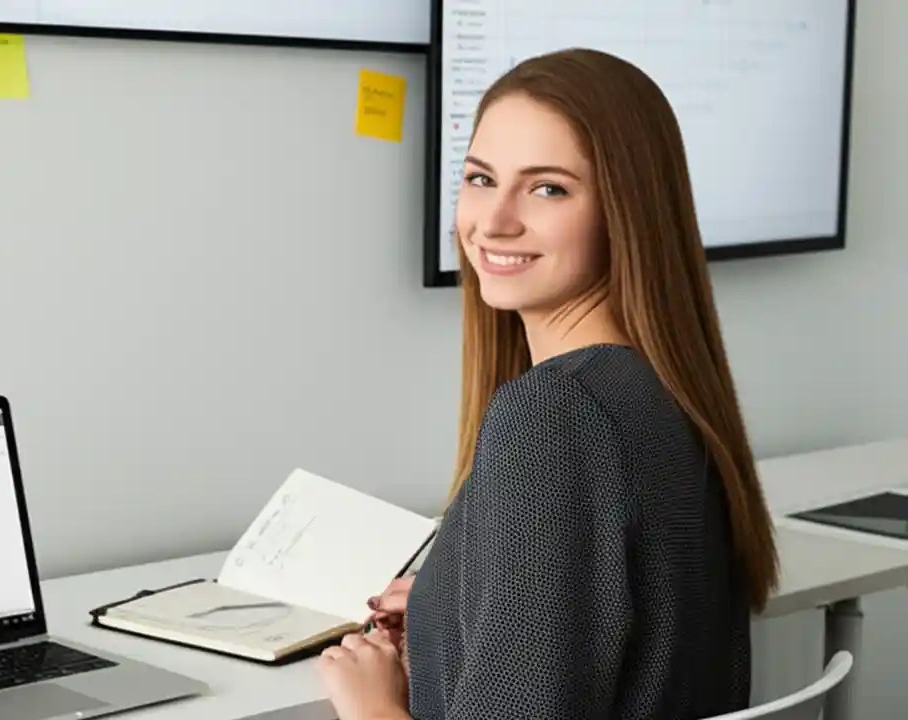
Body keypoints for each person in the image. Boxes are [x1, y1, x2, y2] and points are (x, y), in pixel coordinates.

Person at [317, 47, 779, 719]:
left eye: (548, 188)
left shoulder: (555, 414)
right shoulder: (661, 388)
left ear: (627, 210)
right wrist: (454, 603)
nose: (495, 220)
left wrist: (373, 707)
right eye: (480, 178)